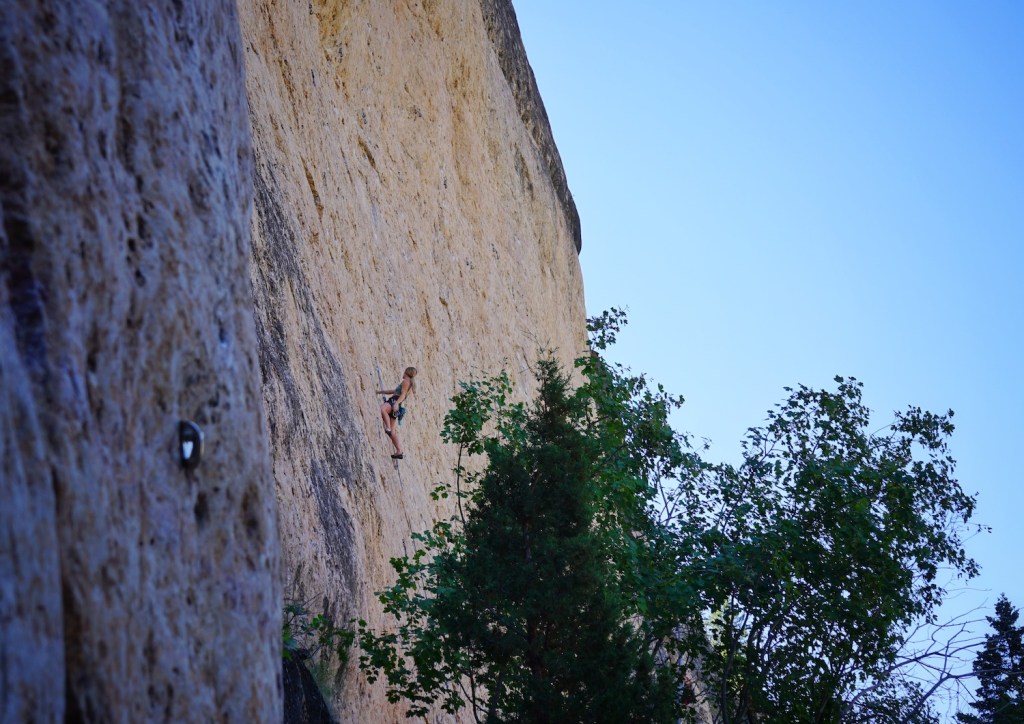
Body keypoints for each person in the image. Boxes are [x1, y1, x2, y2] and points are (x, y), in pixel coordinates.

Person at [377, 366, 416, 459]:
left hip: (394, 402)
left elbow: (402, 395)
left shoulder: (406, 382)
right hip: (397, 405)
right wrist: (380, 392)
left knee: (382, 409)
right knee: (393, 432)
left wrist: (396, 403)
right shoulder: (409, 384)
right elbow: (394, 391)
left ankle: (388, 427)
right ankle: (399, 451)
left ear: (407, 372)